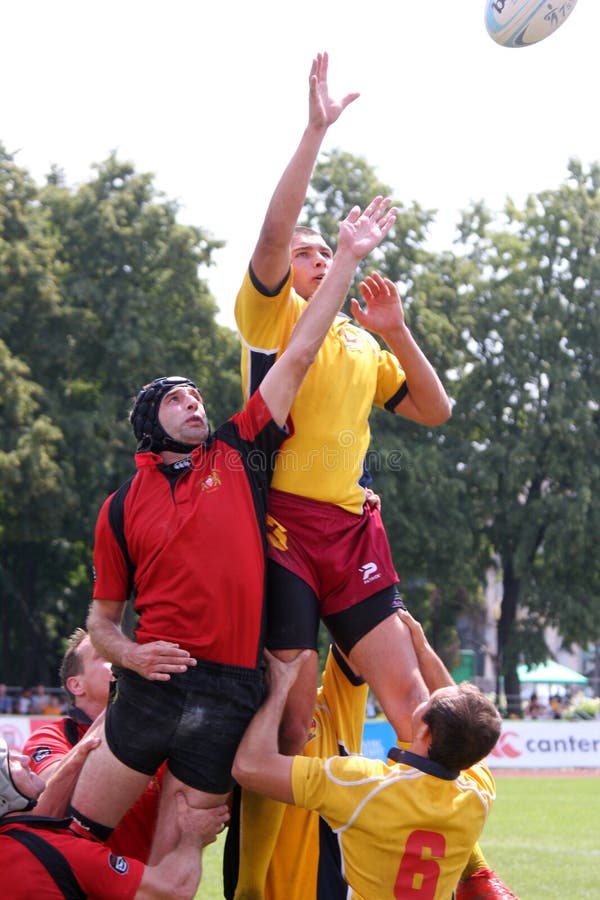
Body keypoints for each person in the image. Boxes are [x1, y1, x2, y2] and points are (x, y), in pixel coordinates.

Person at [67, 195, 398, 864]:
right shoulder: (119, 507)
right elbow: (100, 621)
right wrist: (130, 656)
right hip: (150, 692)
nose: (194, 404)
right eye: (176, 399)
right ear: (148, 423)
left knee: (178, 861)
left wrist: (347, 260)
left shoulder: (238, 452)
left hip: (229, 694)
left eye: (196, 396)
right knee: (78, 836)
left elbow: (298, 356)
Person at [233, 51, 451, 894]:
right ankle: (255, 888)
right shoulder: (273, 322)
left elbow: (434, 409)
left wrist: (396, 331)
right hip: (282, 531)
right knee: (289, 730)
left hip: (353, 532)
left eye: (327, 250)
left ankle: (459, 871)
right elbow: (270, 233)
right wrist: (314, 132)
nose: (317, 257)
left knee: (418, 712)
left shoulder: (359, 341)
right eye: (307, 252)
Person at [232, 609, 505, 900]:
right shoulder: (478, 791)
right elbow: (463, 721)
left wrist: (280, 687)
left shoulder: (364, 786)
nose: (423, 696)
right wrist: (423, 651)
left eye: (428, 700)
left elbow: (249, 767)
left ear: (425, 731)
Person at [0, 737, 229, 899]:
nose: (24, 759)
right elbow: (173, 891)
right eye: (9, 762)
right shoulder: (58, 851)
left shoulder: (14, 847)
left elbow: (40, 818)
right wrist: (193, 837)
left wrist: (72, 764)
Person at [22, 627, 163, 860]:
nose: (125, 660)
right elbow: (46, 793)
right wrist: (123, 698)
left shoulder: (154, 735)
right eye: (108, 656)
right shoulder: (52, 736)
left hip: (148, 881)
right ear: (76, 685)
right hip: (81, 878)